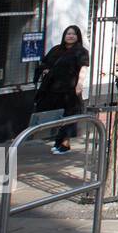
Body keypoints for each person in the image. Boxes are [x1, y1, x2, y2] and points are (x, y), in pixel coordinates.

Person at [34, 25, 90, 155]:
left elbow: (83, 68)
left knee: (69, 115)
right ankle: (58, 141)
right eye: (68, 34)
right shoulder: (56, 50)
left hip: (70, 89)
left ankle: (65, 144)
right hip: (53, 89)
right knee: (56, 116)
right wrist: (46, 70)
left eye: (73, 34)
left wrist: (80, 84)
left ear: (78, 36)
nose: (70, 36)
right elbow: (45, 63)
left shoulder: (81, 51)